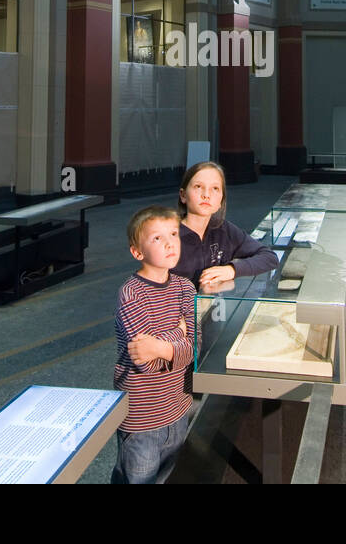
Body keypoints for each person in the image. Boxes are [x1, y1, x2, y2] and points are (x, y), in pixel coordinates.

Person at [112, 205, 196, 484]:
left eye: (173, 234)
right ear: (138, 252)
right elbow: (146, 362)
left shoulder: (185, 288)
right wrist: (178, 335)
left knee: (168, 477)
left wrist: (161, 344)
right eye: (157, 238)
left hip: (179, 407)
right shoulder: (131, 294)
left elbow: (195, 348)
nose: (170, 242)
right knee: (137, 478)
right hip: (141, 420)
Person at [174, 161, 278, 288]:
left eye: (215, 189)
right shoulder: (167, 235)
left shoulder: (224, 230)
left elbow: (269, 257)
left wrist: (231, 270)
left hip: (213, 305)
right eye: (198, 187)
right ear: (183, 195)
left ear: (220, 202)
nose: (206, 195)